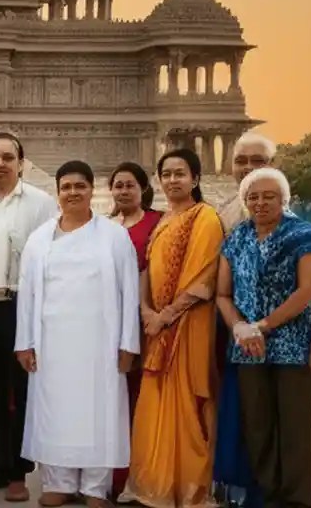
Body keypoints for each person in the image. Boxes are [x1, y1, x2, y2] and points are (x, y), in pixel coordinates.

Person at [15, 161, 140, 508]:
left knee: (99, 413)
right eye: (66, 187)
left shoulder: (114, 237)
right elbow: (27, 295)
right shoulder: (39, 239)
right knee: (54, 412)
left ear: (91, 190)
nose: (73, 192)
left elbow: (130, 293)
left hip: (100, 345)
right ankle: (59, 482)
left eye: (80, 186)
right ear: (58, 193)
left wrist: (128, 343)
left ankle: (95, 488)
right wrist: (24, 342)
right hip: (51, 344)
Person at [216, 167, 311, 508]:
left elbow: (307, 291)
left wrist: (261, 325)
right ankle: (266, 499)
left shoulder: (304, 234)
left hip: (294, 347)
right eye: (253, 197)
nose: (260, 203)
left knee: (293, 432)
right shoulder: (237, 237)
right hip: (247, 347)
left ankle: (296, 503)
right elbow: (222, 294)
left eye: (268, 196)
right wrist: (238, 327)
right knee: (257, 431)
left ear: (283, 199)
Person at [129, 148, 222, 508]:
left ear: (195, 179)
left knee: (187, 401)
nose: (172, 180)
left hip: (188, 324)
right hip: (157, 326)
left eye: (180, 174)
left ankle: (188, 488)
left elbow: (203, 279)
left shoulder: (205, 218)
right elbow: (147, 272)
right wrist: (146, 310)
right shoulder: (165, 220)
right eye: (166, 174)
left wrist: (164, 315)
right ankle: (156, 484)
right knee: (155, 400)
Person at [0, 132, 56, 502]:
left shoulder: (40, 203)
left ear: (21, 163)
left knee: (20, 391)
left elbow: (52, 259)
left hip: (20, 304)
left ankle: (19, 471)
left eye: (7, 157)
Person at [213, 133, 277, 508]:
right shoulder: (220, 213)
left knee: (271, 415)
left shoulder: (291, 219)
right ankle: (233, 486)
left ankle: (267, 490)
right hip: (230, 325)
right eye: (242, 161)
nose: (249, 169)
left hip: (279, 332)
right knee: (233, 408)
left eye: (259, 161)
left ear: (274, 165)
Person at [105, 161, 163, 500]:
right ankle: (115, 476)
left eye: (130, 185)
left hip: (147, 321)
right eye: (118, 185)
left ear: (142, 189)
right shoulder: (104, 226)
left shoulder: (158, 224)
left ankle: (143, 476)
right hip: (109, 324)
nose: (124, 190)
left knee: (144, 401)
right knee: (116, 400)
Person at [218, 133, 275, 232]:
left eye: (257, 161)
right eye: (241, 161)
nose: (248, 167)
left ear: (272, 165)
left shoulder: (292, 207)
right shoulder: (223, 211)